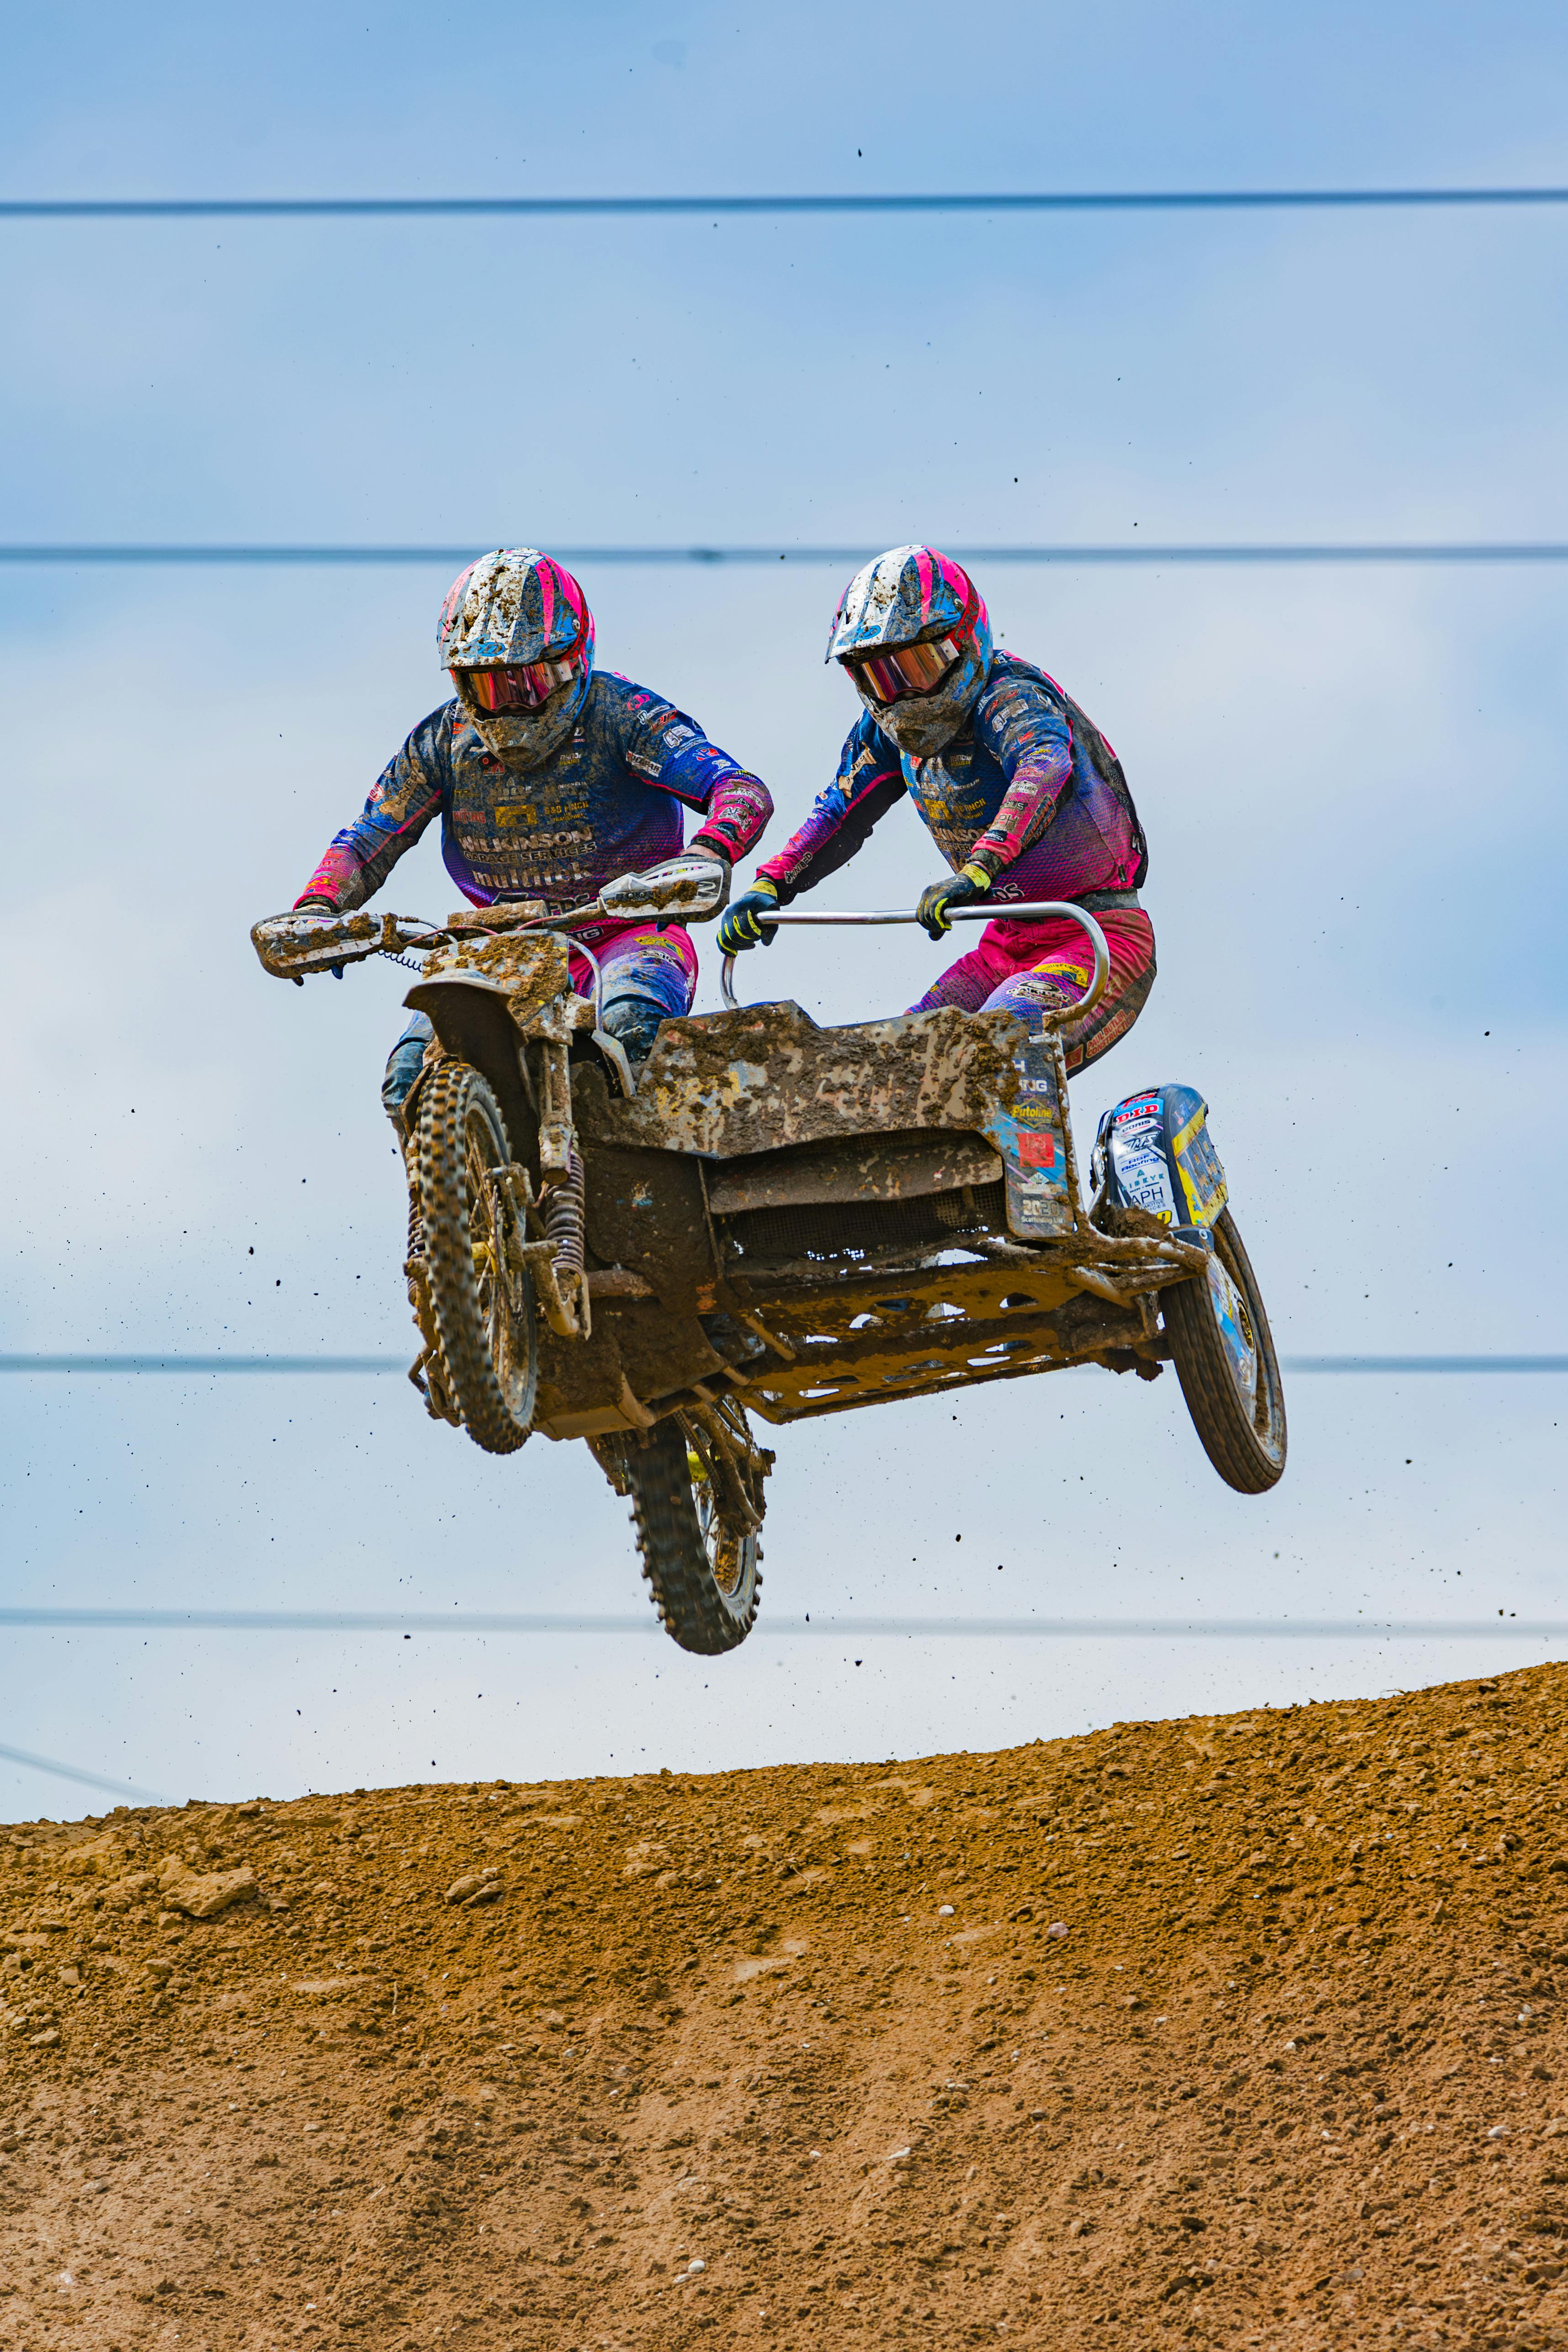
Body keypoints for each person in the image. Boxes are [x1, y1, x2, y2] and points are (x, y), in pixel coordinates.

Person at [285, 547, 773, 1122]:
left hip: (630, 930)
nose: (510, 707)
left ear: (572, 659)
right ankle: (444, 1207)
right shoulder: (443, 741)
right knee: (409, 1075)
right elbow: (369, 837)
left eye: (527, 681)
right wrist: (317, 909)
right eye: (490, 689)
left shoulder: (622, 713)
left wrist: (708, 852)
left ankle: (648, 1191)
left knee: (629, 1028)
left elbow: (738, 789)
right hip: (497, 945)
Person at [718, 544, 1152, 1074]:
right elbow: (839, 811)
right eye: (881, 676)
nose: (901, 696)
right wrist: (770, 886)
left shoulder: (1008, 693)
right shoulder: (883, 735)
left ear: (964, 642)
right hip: (1005, 943)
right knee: (895, 1064)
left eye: (918, 666)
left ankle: (1029, 1155)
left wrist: (979, 867)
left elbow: (1042, 767)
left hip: (1095, 934)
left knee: (995, 1044)